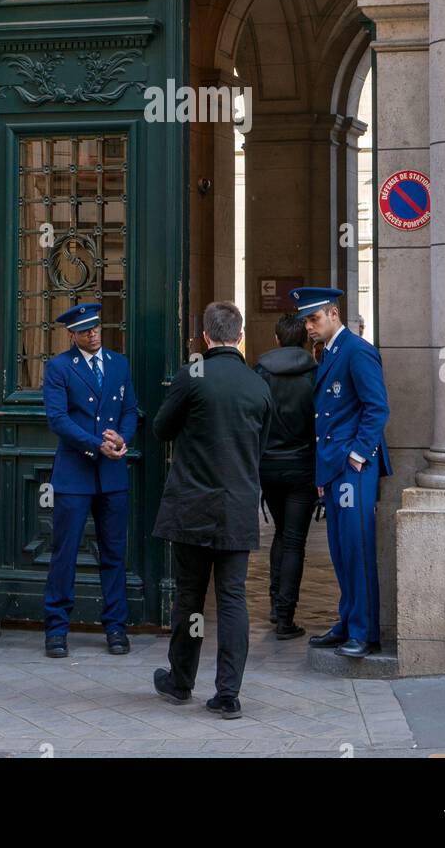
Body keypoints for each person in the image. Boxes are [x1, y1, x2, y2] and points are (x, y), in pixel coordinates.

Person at [151, 300, 272, 720]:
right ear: (239, 336)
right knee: (233, 598)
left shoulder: (194, 375)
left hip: (193, 504)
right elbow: (262, 445)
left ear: (205, 336)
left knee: (191, 597)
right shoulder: (257, 383)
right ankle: (228, 693)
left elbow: (161, 428)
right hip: (237, 504)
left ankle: (181, 681)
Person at [289, 285, 391, 658]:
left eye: (314, 318)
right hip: (334, 467)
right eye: (306, 321)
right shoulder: (332, 352)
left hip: (352, 469)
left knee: (356, 548)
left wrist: (358, 455)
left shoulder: (358, 351)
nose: (309, 327)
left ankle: (363, 631)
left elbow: (377, 407)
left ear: (334, 314)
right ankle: (348, 621)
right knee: (339, 550)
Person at [41, 301, 138, 659]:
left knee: (114, 552)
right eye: (85, 331)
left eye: (97, 328)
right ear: (72, 335)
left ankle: (116, 626)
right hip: (74, 474)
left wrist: (123, 438)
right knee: (64, 553)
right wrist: (97, 444)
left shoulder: (119, 364)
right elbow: (57, 419)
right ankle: (56, 628)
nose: (93, 334)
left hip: (112, 475)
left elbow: (130, 409)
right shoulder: (59, 368)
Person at [254, 313, 318, 640]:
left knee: (281, 533)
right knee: (294, 539)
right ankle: (285, 616)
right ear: (305, 340)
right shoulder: (315, 373)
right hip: (303, 465)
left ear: (276, 338)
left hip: (269, 466)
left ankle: (275, 604)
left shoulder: (261, 373)